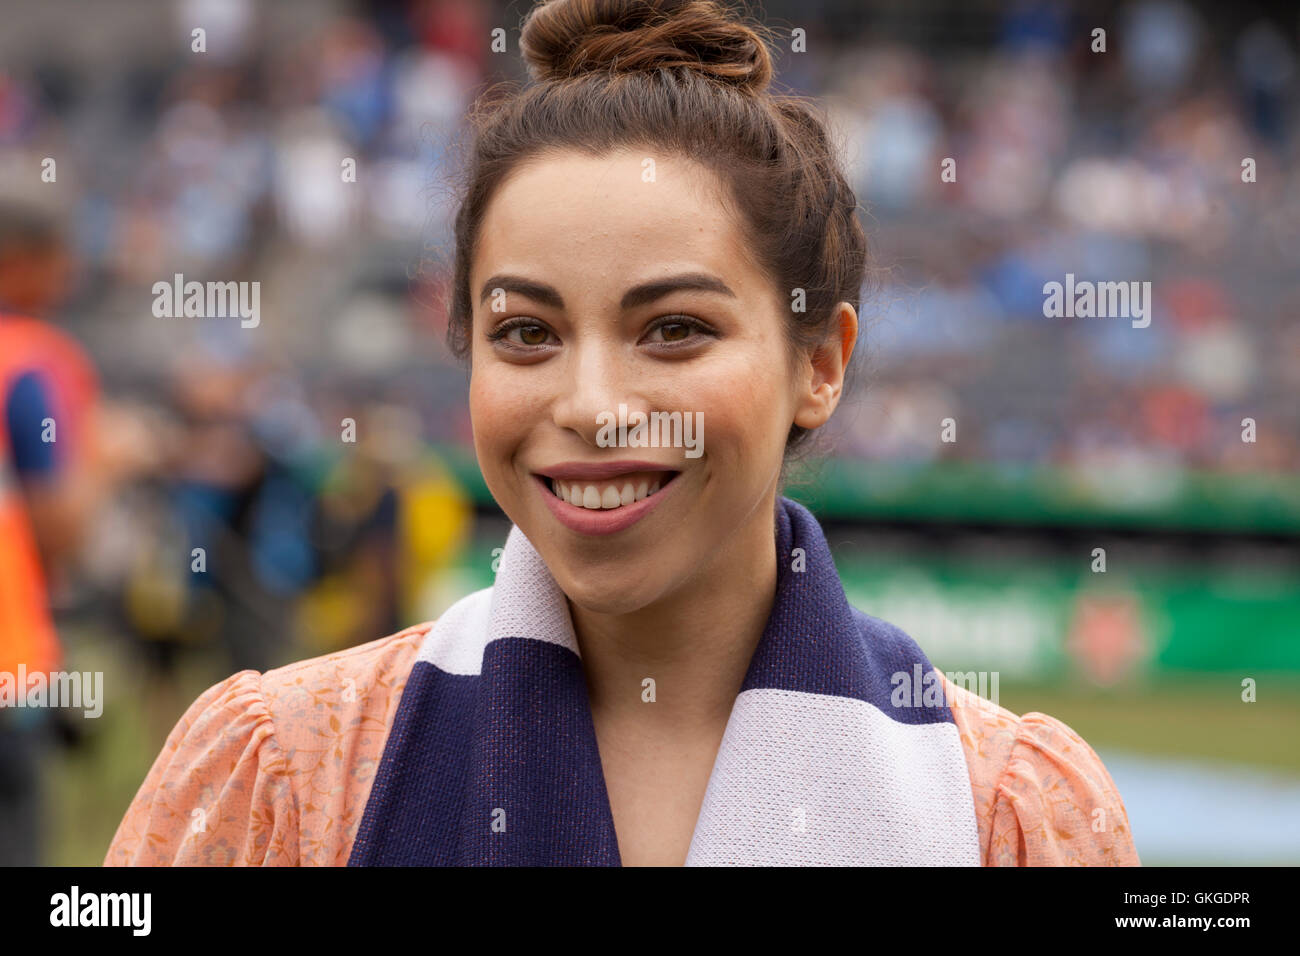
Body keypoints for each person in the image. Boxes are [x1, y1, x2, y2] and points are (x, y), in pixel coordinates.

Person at [105, 0, 1139, 867]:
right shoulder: (284, 773)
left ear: (818, 363)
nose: (593, 402)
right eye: (525, 332)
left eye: (674, 329)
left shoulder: (1009, 811)